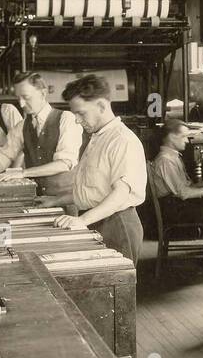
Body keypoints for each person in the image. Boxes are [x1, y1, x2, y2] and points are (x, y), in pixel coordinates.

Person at [50, 74, 147, 263]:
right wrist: (54, 201)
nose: (77, 120)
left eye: (81, 113)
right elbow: (92, 191)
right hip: (98, 219)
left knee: (115, 280)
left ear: (101, 106)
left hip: (117, 225)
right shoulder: (97, 137)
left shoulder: (122, 140)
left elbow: (120, 194)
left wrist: (82, 221)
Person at [0, 72, 82, 194]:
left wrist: (23, 173)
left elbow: (64, 163)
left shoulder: (66, 119)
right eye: (18, 98)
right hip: (37, 196)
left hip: (65, 197)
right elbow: (4, 155)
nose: (21, 104)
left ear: (43, 93)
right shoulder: (22, 126)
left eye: (26, 97)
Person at [150, 116, 203, 224]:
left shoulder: (172, 156)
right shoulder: (166, 160)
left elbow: (181, 188)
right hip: (172, 210)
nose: (187, 140)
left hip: (176, 204)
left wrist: (202, 184)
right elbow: (183, 193)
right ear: (172, 137)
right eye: (184, 136)